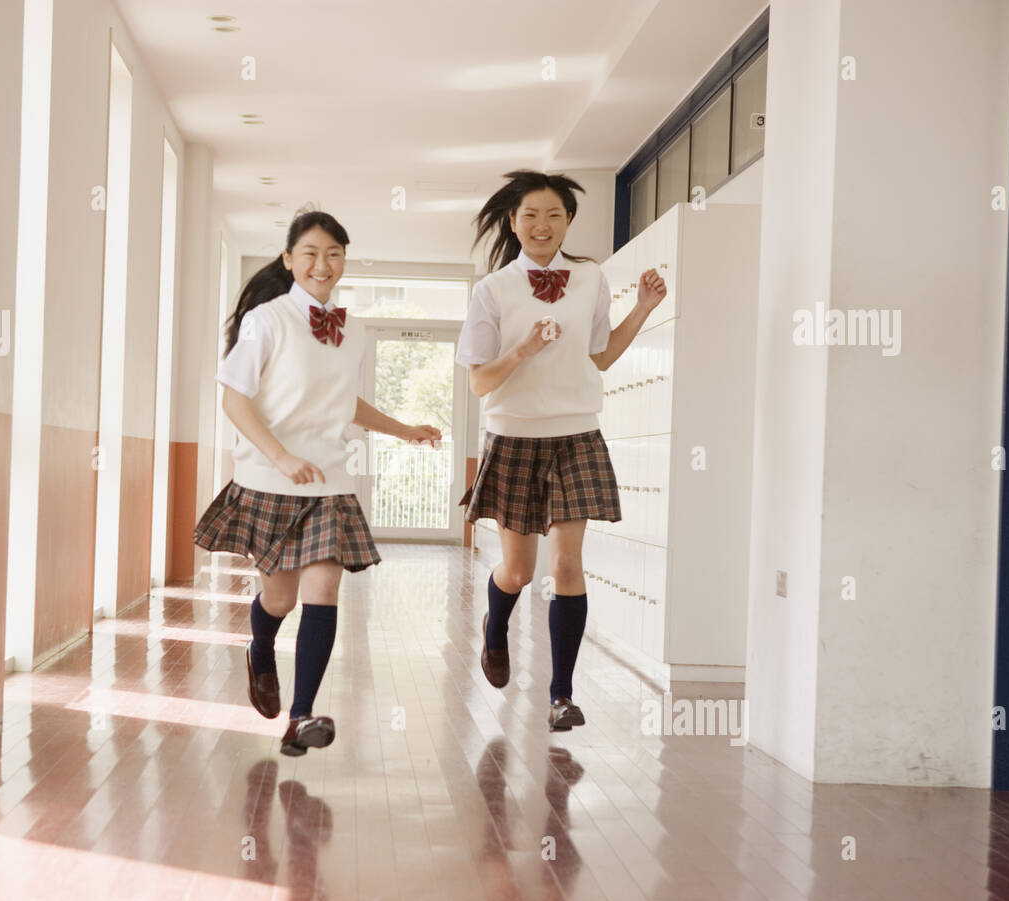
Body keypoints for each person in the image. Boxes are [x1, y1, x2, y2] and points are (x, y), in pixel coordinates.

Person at [195, 210, 442, 756]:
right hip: (271, 476)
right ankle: (260, 648)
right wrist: (280, 456)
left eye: (333, 253)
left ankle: (302, 716)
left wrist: (404, 430)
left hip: (329, 480)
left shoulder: (351, 328)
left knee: (324, 590)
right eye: (309, 252)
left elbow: (343, 403)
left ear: (344, 261)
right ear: (289, 260)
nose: (322, 263)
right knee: (278, 600)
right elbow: (233, 398)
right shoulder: (267, 320)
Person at [456, 171, 666, 731]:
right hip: (515, 435)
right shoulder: (492, 290)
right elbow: (479, 383)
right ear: (512, 222)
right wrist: (523, 350)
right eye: (530, 215)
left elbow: (598, 357)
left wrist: (642, 308)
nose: (542, 225)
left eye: (553, 215)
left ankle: (561, 695)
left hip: (577, 435)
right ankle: (495, 628)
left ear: (568, 221)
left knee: (568, 564)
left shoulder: (590, 278)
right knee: (520, 571)